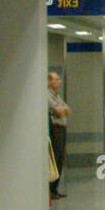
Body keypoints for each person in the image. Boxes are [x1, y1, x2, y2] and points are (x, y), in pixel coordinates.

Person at [48, 71, 70, 199]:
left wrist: (63, 110)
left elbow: (67, 109)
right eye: (56, 79)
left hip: (62, 128)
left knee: (61, 158)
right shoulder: (47, 95)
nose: (59, 81)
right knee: (55, 157)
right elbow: (59, 111)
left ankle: (55, 188)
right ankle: (50, 188)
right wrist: (62, 110)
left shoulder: (57, 96)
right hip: (55, 129)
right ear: (49, 82)